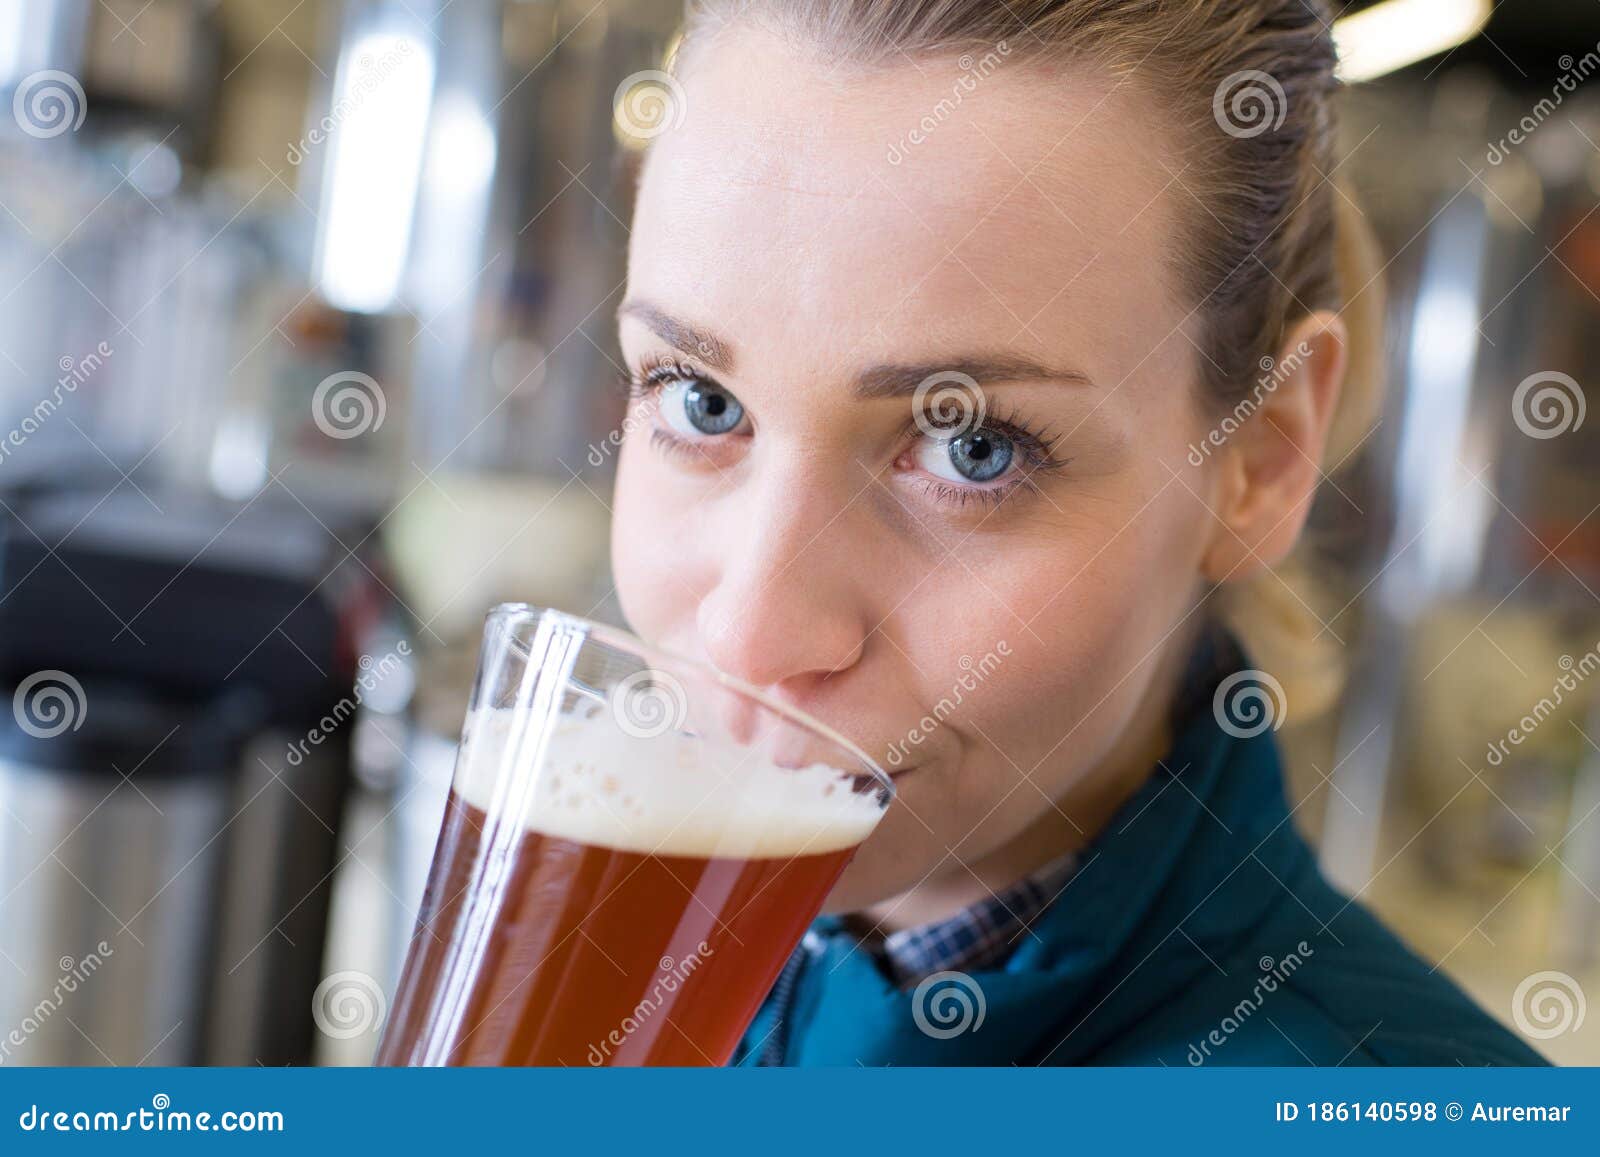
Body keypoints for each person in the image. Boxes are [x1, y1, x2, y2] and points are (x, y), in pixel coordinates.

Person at [606, 0, 1546, 1066]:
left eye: (972, 448)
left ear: (1258, 462)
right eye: (699, 401)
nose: (752, 635)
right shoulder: (600, 962)